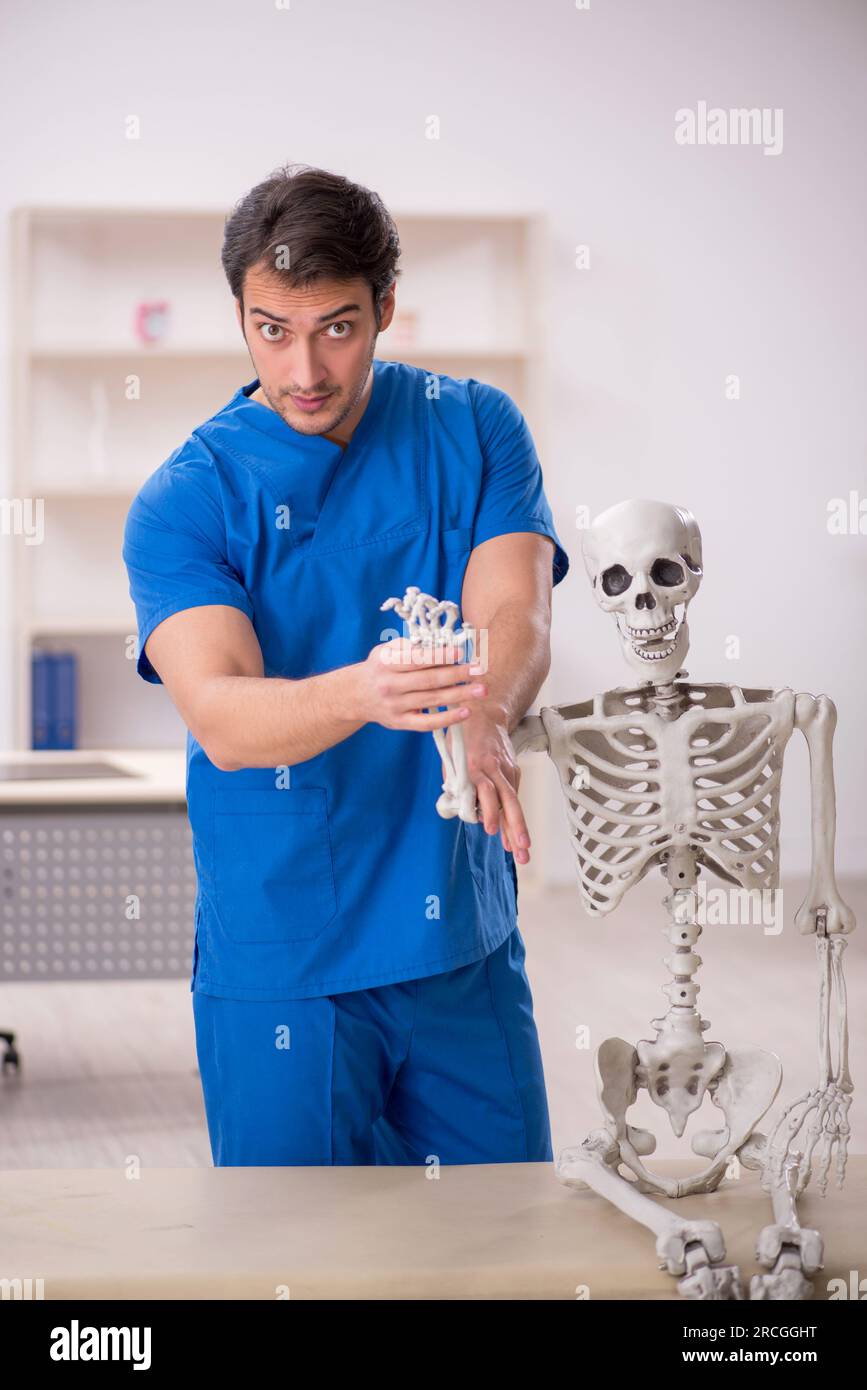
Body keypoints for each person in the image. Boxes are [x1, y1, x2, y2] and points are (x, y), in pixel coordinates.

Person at [122, 163, 570, 1167]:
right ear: (239, 313)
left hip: (461, 941)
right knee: (297, 1261)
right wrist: (372, 689)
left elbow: (514, 605)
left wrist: (489, 711)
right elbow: (226, 718)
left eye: (337, 325)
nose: (305, 370)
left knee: (509, 1245)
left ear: (386, 308)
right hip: (287, 955)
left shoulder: (475, 426)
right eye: (272, 328)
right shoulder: (188, 498)